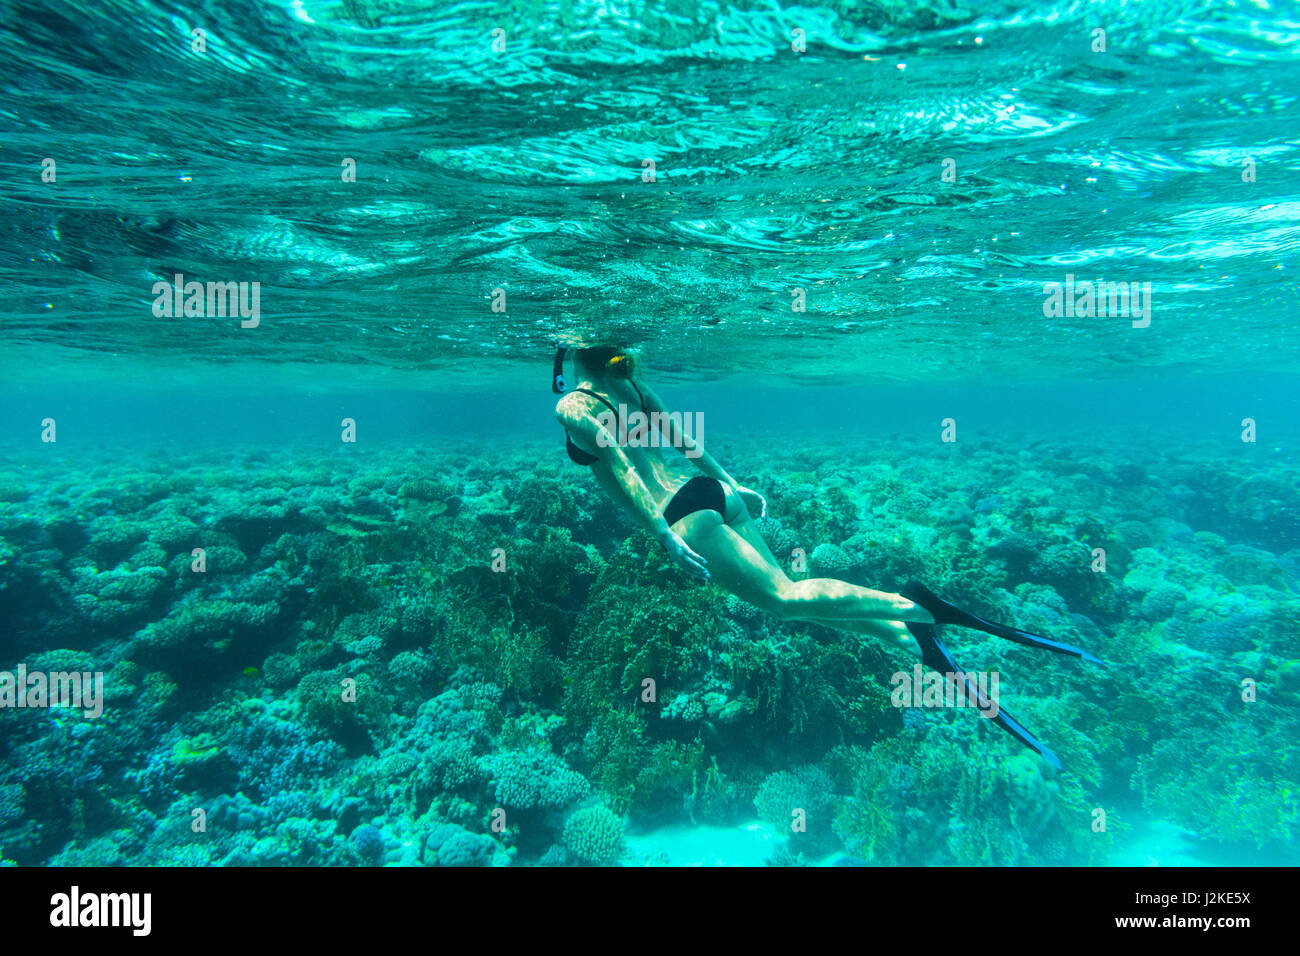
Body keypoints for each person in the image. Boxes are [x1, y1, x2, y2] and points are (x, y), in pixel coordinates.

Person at [551, 345, 1100, 767]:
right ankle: (912, 639)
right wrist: (733, 485)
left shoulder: (574, 405)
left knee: (787, 600)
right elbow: (686, 445)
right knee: (801, 601)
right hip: (709, 494)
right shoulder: (636, 388)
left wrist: (666, 537)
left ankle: (920, 607)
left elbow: (623, 468)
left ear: (575, 356)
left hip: (681, 518)